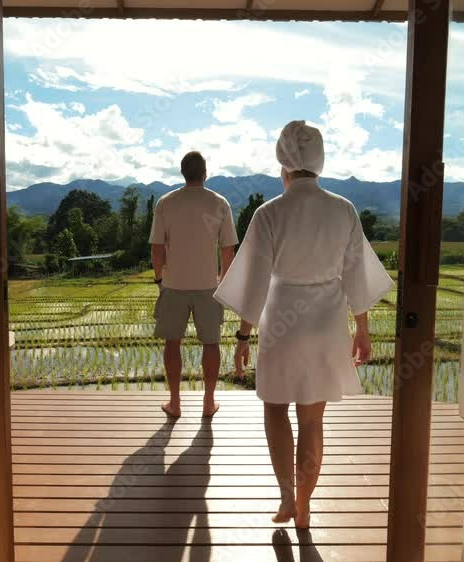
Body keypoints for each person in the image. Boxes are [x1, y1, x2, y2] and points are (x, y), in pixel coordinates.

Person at [213, 121, 394, 529]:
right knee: (312, 421)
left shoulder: (269, 213)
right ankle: (305, 505)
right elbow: (356, 276)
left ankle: (286, 497)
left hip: (281, 323)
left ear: (284, 167)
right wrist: (362, 329)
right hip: (327, 323)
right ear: (319, 161)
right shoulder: (343, 210)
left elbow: (255, 283)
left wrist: (243, 337)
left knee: (275, 410)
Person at [150, 151, 238, 418]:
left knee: (172, 343)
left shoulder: (166, 202)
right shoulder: (219, 203)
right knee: (211, 344)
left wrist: (159, 278)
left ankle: (175, 403)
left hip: (173, 285)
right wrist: (222, 280)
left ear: (182, 172)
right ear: (205, 173)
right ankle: (208, 403)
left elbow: (157, 248)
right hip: (208, 286)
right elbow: (228, 249)